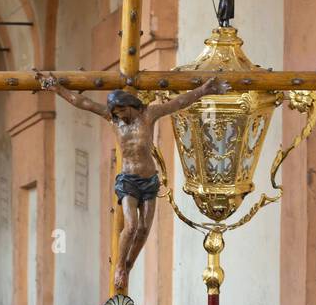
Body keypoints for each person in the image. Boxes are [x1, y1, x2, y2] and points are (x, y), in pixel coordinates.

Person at [37, 73, 230, 291]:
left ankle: (128, 265)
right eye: (116, 113)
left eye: (122, 111)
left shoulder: (149, 114)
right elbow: (82, 102)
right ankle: (119, 266)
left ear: (130, 105)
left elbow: (179, 102)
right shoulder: (114, 119)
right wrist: (57, 89)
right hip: (128, 180)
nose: (120, 117)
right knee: (131, 227)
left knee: (145, 229)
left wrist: (204, 90)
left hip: (148, 180)